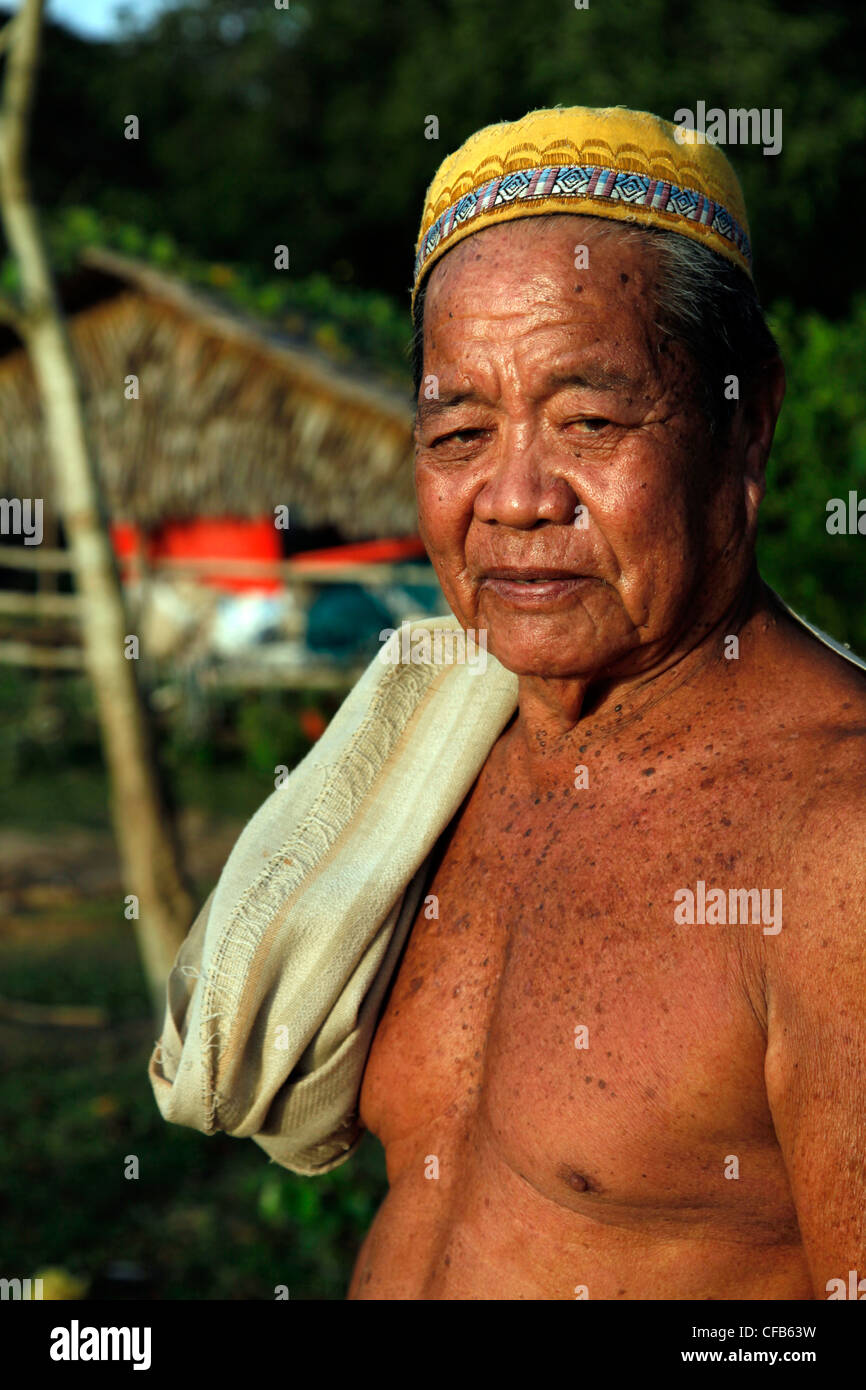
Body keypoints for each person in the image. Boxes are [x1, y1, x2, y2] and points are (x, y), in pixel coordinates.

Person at [150, 106, 866, 1301]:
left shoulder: (831, 852)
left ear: (744, 422)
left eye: (589, 420)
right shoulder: (446, 755)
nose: (516, 496)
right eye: (460, 429)